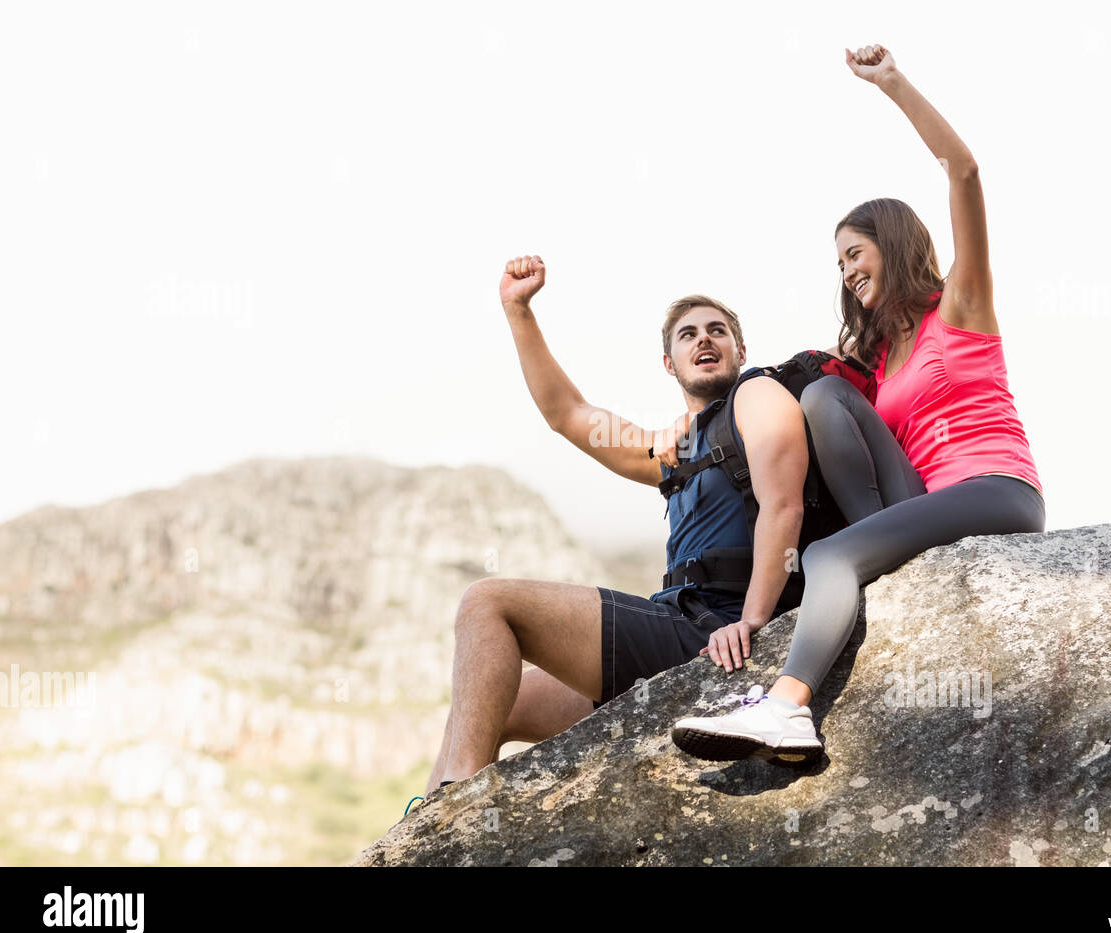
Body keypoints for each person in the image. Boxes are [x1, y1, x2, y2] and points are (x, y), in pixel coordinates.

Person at [669, 44, 1046, 765]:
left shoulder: (963, 308)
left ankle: (785, 707)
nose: (847, 271)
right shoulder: (879, 362)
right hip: (928, 503)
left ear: (893, 243)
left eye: (855, 252)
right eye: (839, 262)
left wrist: (893, 84)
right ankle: (873, 560)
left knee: (827, 554)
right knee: (825, 392)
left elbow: (964, 173)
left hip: (997, 490)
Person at [422, 254, 815, 793]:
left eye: (718, 331)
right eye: (689, 334)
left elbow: (783, 507)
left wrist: (750, 622)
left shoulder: (757, 396)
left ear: (740, 350)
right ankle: (427, 813)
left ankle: (454, 801)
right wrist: (518, 311)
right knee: (486, 701)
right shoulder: (668, 450)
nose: (705, 340)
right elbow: (568, 414)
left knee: (487, 602)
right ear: (668, 362)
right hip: (671, 624)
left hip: (716, 630)